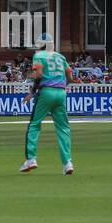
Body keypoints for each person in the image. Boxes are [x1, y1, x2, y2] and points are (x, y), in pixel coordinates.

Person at [20, 34, 74, 175]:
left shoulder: (39, 56)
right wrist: (61, 86)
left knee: (34, 124)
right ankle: (67, 162)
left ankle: (31, 159)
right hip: (61, 93)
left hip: (46, 92)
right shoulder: (60, 57)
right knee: (63, 128)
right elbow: (70, 77)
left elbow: (38, 75)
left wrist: (32, 92)